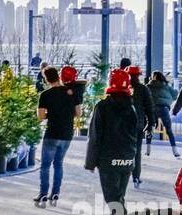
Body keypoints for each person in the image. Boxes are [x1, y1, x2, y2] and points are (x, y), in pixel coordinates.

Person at [84, 68, 140, 206]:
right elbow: (135, 134)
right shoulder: (132, 108)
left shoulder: (102, 107)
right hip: (127, 159)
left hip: (108, 160)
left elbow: (95, 136)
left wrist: (90, 162)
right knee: (119, 196)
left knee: (112, 199)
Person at [35, 66, 79, 206]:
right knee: (58, 164)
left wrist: (52, 114)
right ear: (58, 76)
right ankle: (55, 194)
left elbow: (41, 116)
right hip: (67, 134)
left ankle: (43, 194)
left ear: (46, 79)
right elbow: (78, 113)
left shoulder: (45, 95)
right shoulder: (71, 93)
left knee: (45, 166)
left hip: (52, 134)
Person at [127, 65, 153, 187]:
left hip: (124, 126)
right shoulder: (143, 89)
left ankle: (124, 174)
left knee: (124, 151)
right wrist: (150, 123)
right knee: (136, 151)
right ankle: (136, 177)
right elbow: (149, 107)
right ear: (138, 75)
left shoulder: (124, 89)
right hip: (138, 124)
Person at [146, 70, 179, 158]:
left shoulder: (149, 86)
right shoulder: (166, 86)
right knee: (169, 130)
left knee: (150, 127)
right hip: (164, 108)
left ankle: (148, 150)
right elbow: (175, 95)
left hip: (152, 109)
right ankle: (175, 151)